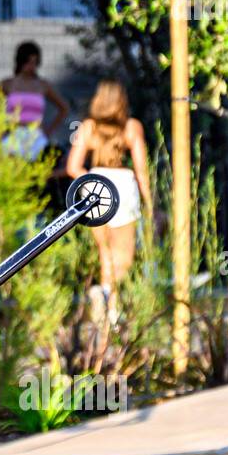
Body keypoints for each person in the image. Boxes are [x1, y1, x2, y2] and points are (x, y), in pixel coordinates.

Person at [65, 80, 151, 324]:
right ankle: (111, 306)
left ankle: (105, 300)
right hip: (122, 186)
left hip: (94, 188)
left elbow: (73, 167)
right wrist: (151, 204)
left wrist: (92, 181)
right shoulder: (132, 127)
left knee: (105, 252)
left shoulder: (88, 127)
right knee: (123, 256)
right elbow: (142, 171)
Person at [0, 41, 70, 160]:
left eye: (34, 62)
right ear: (20, 62)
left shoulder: (43, 85)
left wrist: (48, 131)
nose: (31, 66)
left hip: (36, 137)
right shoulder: (8, 84)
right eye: (28, 62)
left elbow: (64, 108)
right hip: (12, 135)